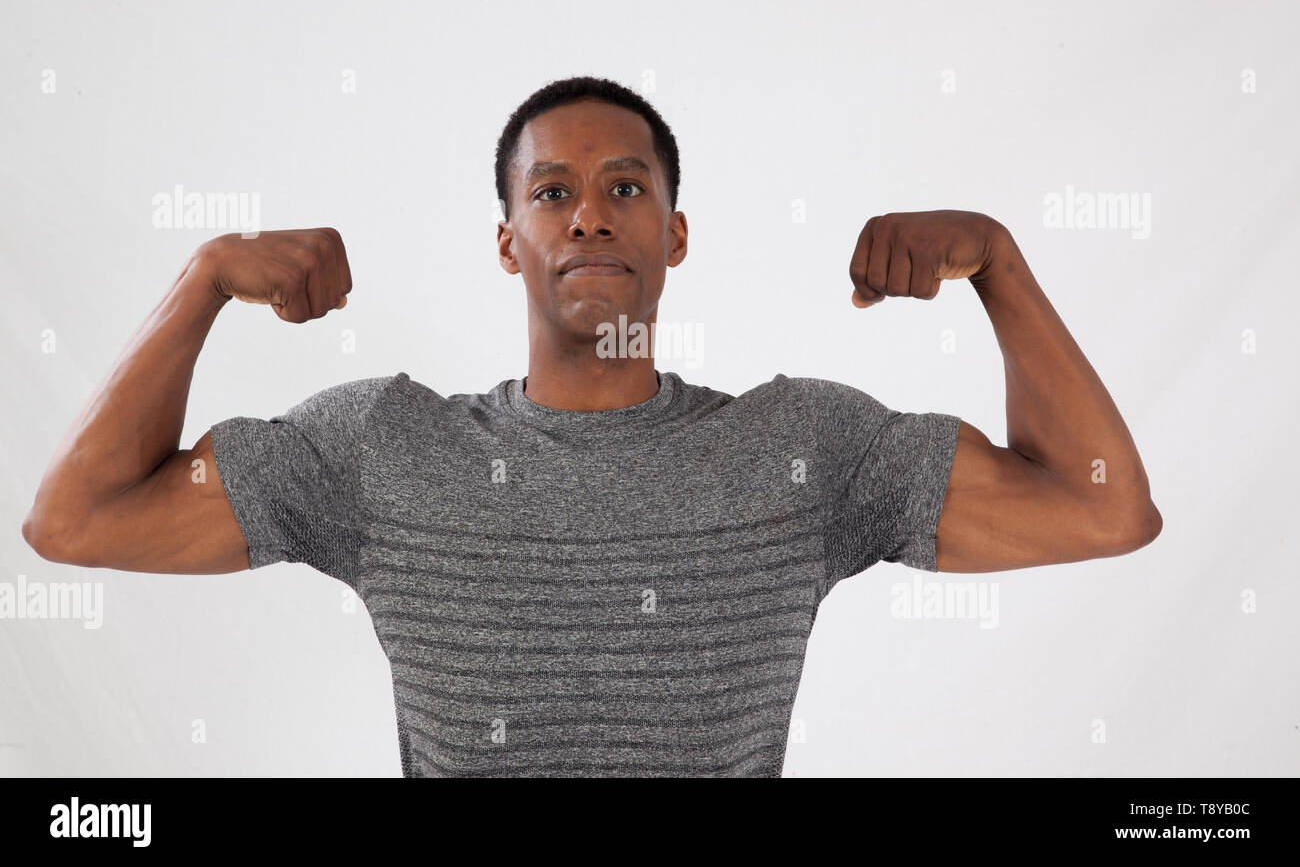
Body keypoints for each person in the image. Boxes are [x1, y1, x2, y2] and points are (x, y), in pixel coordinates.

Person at [22, 75, 1161, 777]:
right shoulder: (382, 446)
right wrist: (206, 275)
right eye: (551, 191)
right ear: (509, 239)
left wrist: (998, 264)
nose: (589, 214)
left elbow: (1105, 505)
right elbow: (73, 521)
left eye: (626, 187)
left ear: (675, 233)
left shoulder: (803, 445)